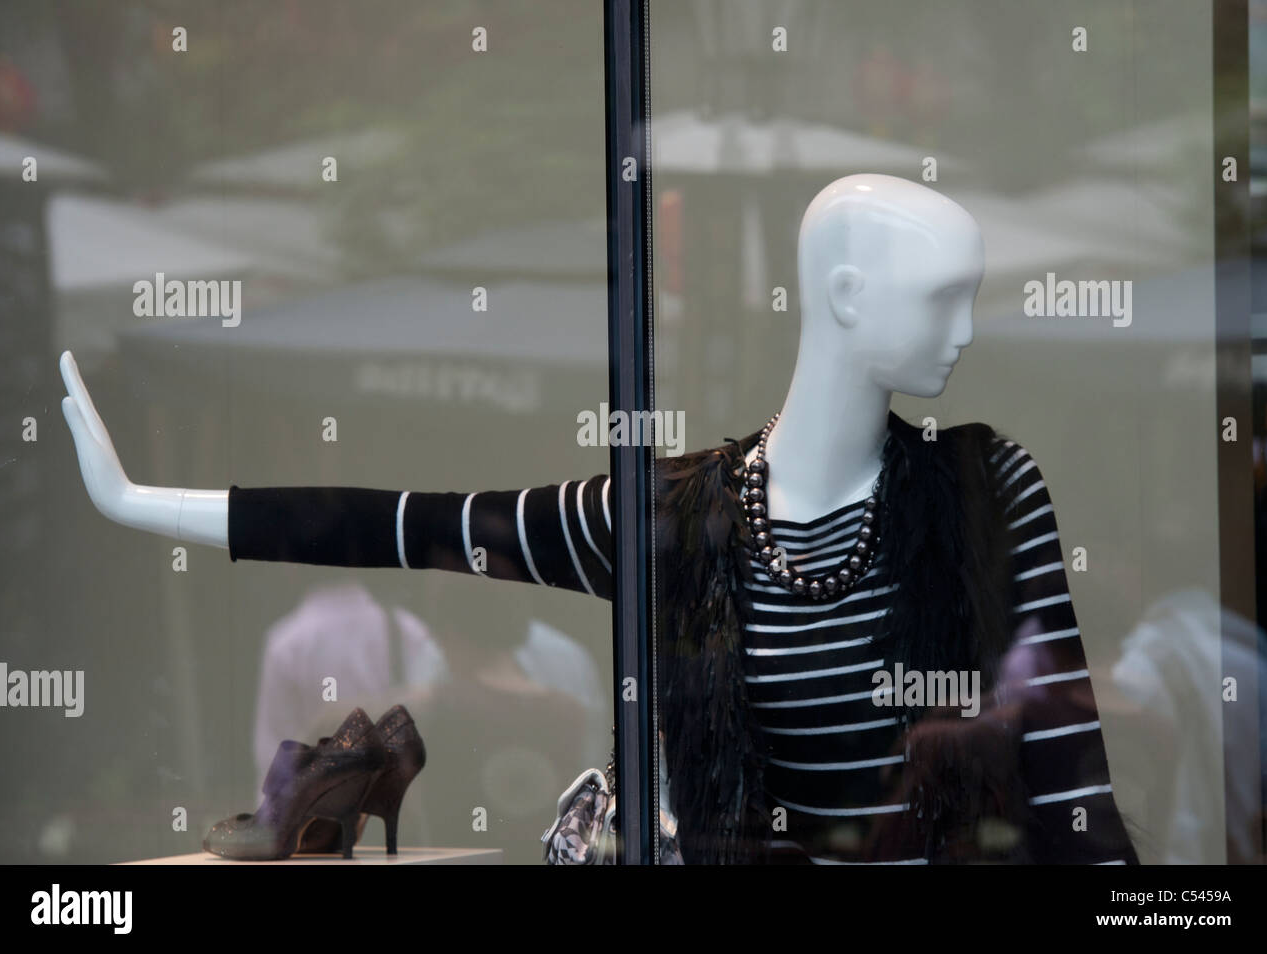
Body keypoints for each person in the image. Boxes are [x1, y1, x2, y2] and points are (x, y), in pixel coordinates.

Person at [60, 174, 1140, 864]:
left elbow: (1071, 777)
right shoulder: (672, 519)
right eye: (942, 296)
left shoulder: (983, 488)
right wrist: (137, 502)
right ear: (848, 296)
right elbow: (414, 523)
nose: (965, 329)